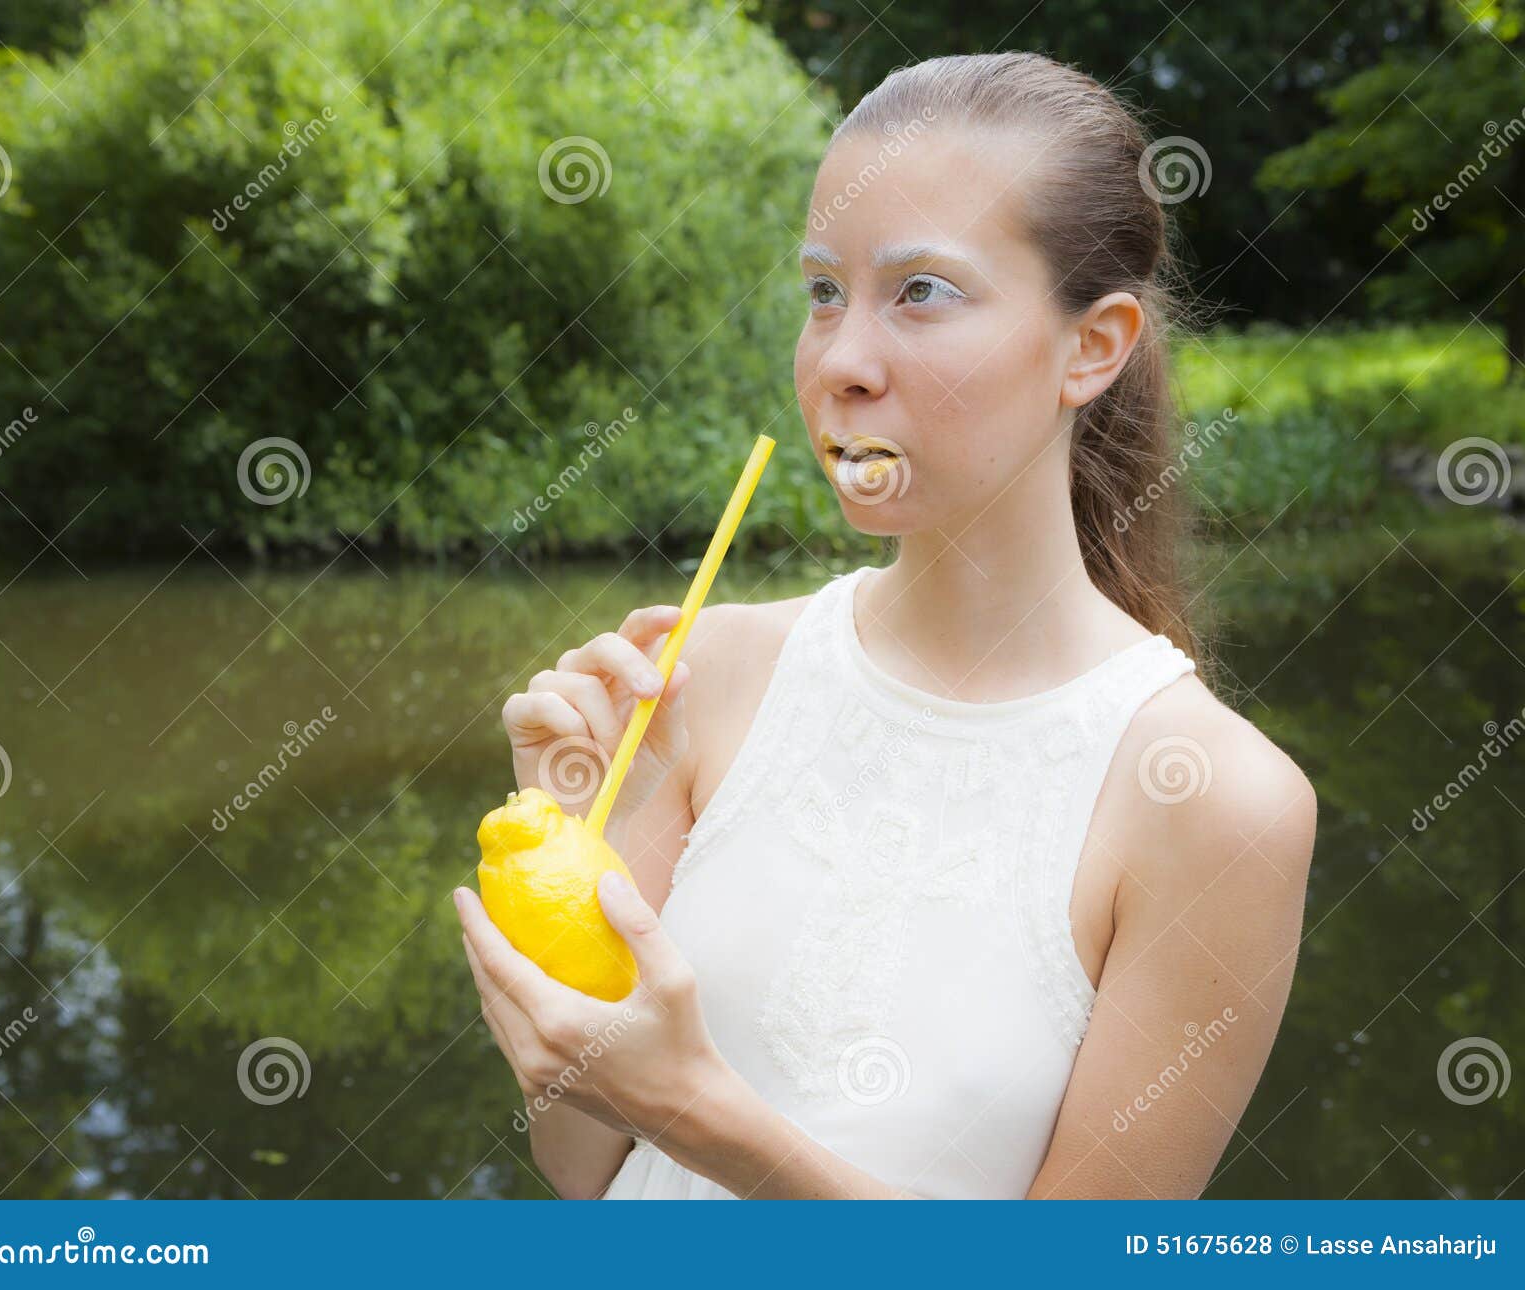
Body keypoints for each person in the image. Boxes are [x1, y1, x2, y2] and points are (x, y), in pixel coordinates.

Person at [453, 50, 1316, 1200]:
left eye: (920, 292)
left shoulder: (1213, 802)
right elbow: (584, 1169)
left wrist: (710, 1124)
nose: (841, 363)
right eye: (824, 292)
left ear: (1090, 347)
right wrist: (561, 851)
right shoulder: (698, 675)